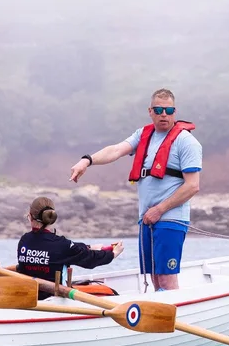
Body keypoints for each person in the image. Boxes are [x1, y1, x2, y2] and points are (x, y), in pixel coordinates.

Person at [69, 87, 202, 290]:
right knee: (154, 277)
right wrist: (87, 161)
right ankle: (158, 318)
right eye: (158, 110)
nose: (163, 115)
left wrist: (159, 210)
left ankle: (173, 317)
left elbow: (192, 186)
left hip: (170, 219)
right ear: (150, 111)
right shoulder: (143, 135)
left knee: (166, 278)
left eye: (168, 110)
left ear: (175, 111)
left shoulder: (186, 142)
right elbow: (115, 150)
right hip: (147, 220)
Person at [16, 196, 123, 290]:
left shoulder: (24, 241)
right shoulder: (61, 245)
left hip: (29, 296)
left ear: (30, 217)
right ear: (51, 218)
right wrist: (112, 254)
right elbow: (89, 259)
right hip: (54, 298)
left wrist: (88, 247)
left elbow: (64, 249)